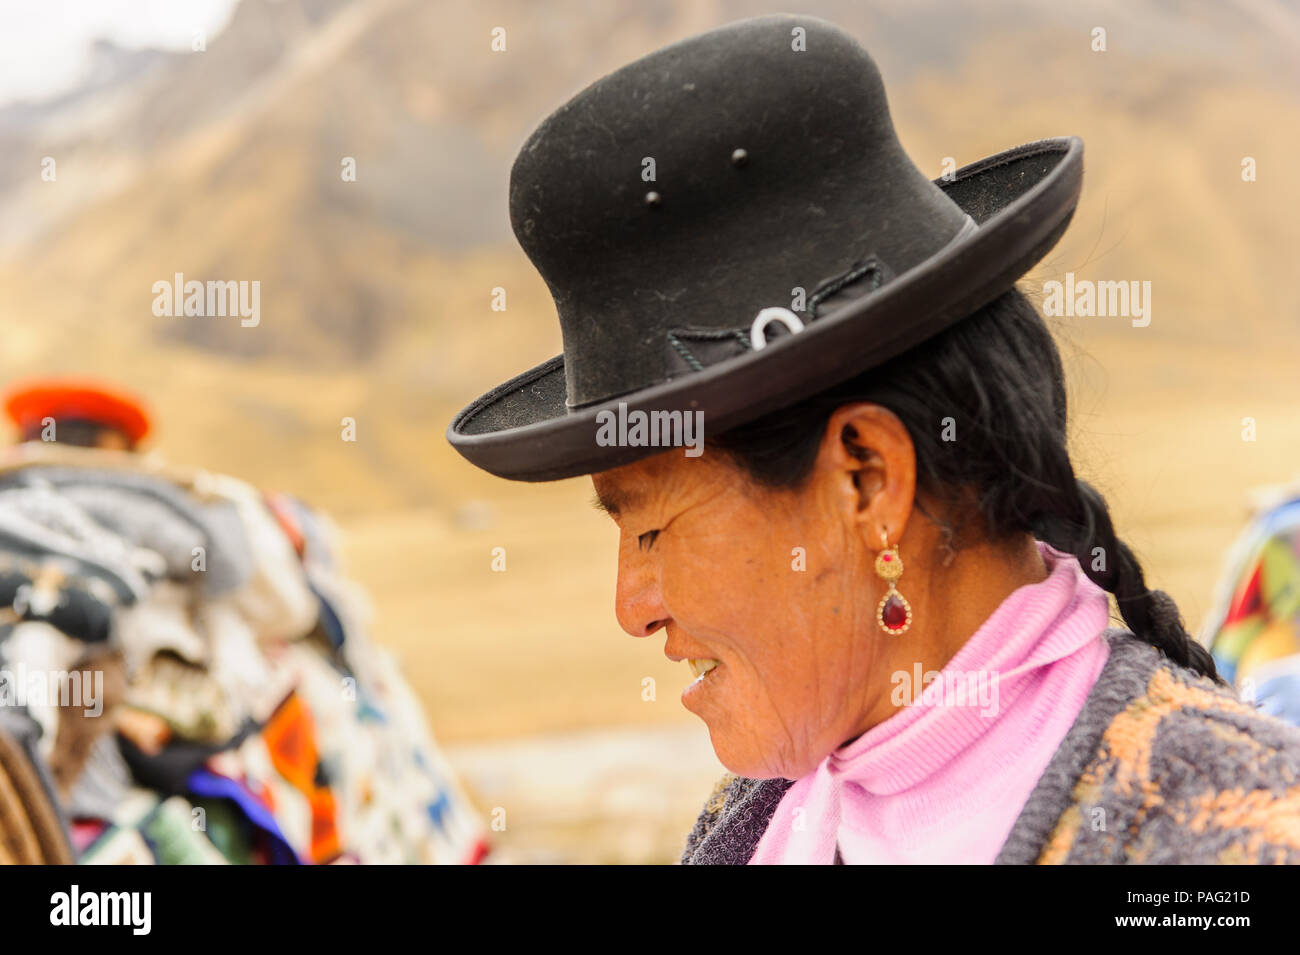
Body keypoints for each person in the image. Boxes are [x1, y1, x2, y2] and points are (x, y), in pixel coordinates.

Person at [446, 15, 1300, 863]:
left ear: (866, 480)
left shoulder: (1225, 846)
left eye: (649, 529)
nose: (632, 607)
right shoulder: (756, 823)